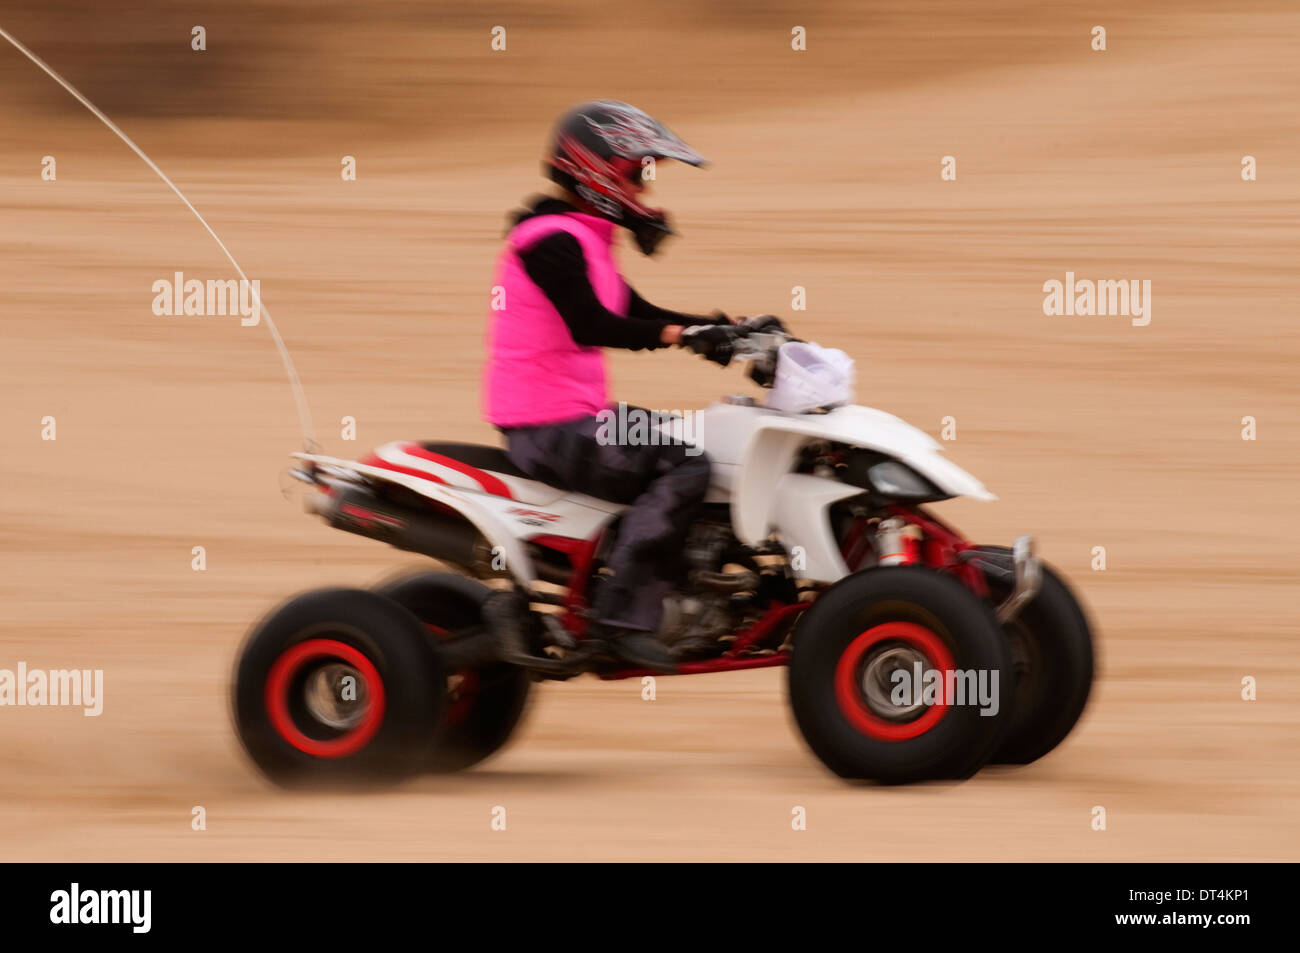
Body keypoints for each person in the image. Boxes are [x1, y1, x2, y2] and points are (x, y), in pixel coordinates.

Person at [481, 100, 747, 672]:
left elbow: (637, 310)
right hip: (549, 427)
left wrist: (722, 330)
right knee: (684, 463)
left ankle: (674, 582)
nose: (646, 189)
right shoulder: (550, 242)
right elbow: (593, 324)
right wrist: (679, 334)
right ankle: (618, 615)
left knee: (693, 437)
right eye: (640, 173)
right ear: (599, 170)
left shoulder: (583, 239)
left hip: (577, 418)